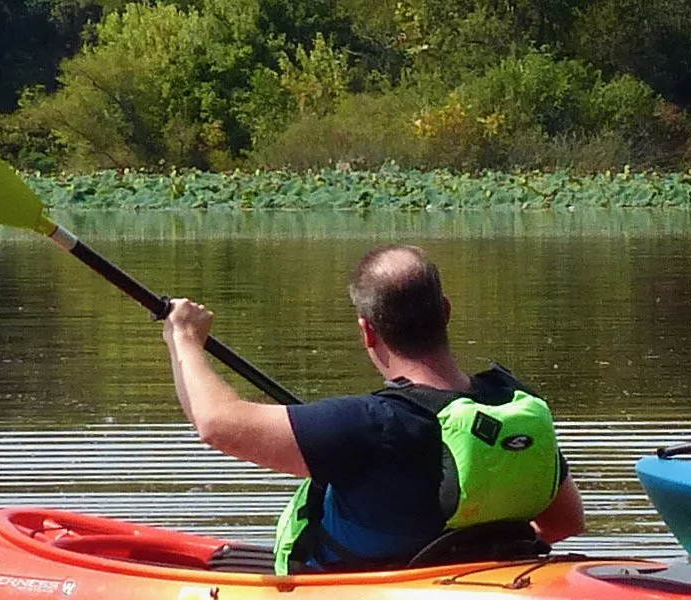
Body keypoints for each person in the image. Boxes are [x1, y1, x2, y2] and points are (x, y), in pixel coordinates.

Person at [161, 242, 587, 570]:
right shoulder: (509, 406)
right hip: (488, 589)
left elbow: (216, 423)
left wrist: (182, 336)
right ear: (445, 312)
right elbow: (565, 521)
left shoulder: (366, 426)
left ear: (366, 331)